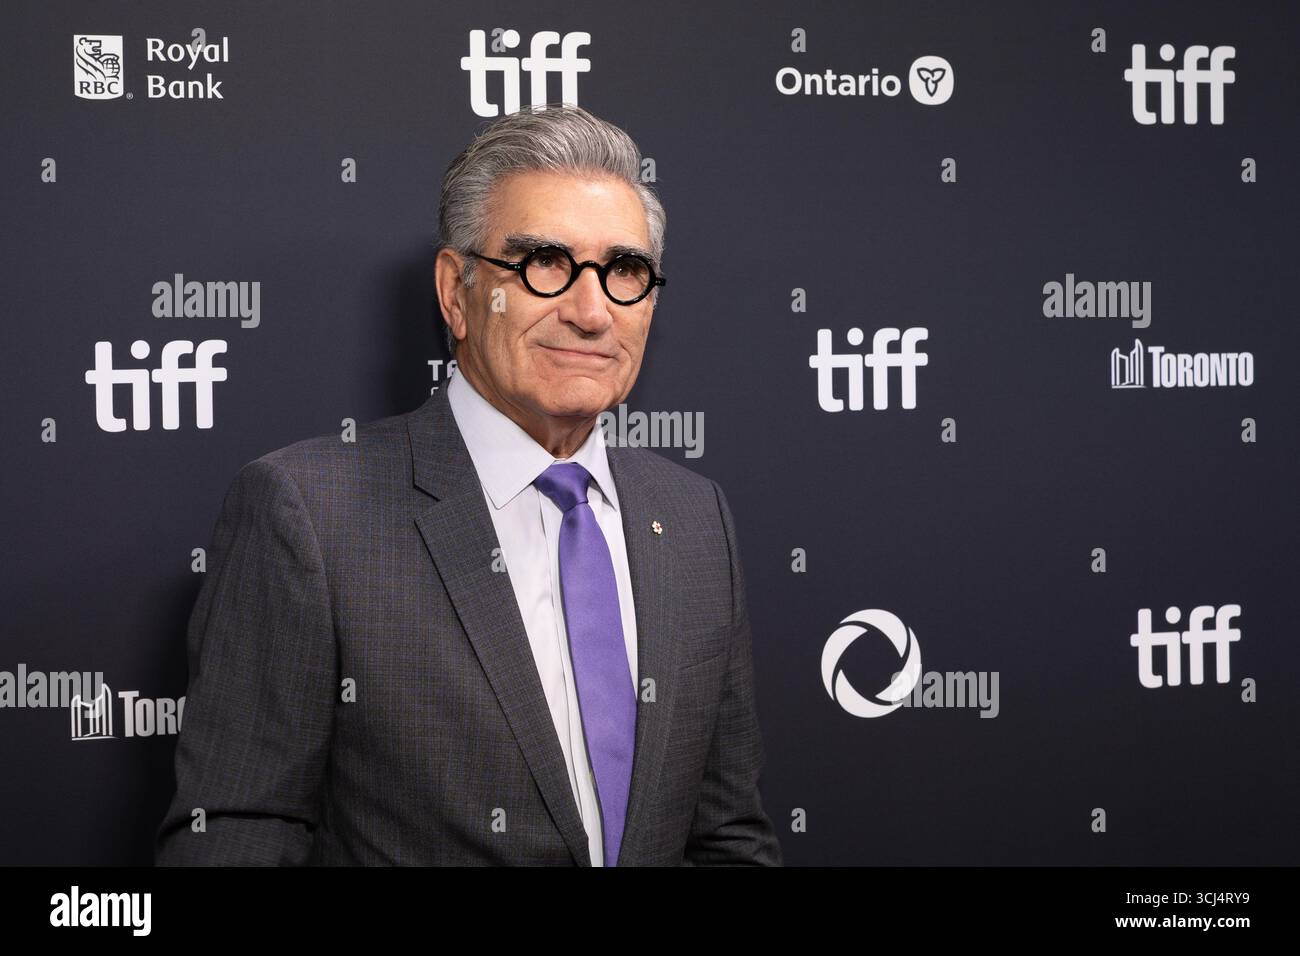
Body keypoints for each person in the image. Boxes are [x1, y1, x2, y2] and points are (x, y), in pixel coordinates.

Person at [154, 103, 782, 866]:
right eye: (545, 263)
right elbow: (237, 834)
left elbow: (727, 836)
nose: (591, 312)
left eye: (624, 271)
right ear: (456, 292)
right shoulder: (308, 514)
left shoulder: (694, 519)